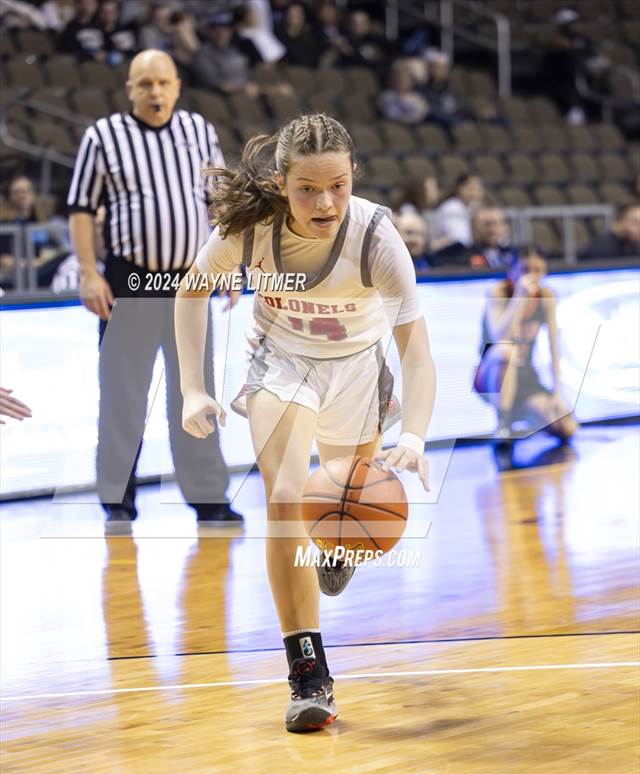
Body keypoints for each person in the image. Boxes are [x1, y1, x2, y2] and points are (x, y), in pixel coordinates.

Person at [175, 113, 436, 733]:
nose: (325, 203)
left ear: (353, 178)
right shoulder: (249, 229)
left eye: (338, 186)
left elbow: (418, 352)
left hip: (358, 370)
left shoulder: (376, 237)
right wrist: (192, 388)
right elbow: (191, 292)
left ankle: (336, 544)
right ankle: (308, 674)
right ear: (281, 182)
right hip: (282, 362)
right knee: (287, 498)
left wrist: (416, 436)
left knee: (344, 512)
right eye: (308, 189)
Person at [67, 49, 240, 534]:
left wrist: (227, 264)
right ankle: (118, 500)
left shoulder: (199, 131)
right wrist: (87, 271)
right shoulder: (103, 137)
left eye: (163, 82)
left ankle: (208, 499)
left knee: (195, 393)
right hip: (128, 283)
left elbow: (221, 202)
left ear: (178, 86)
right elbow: (81, 208)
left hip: (191, 282)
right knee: (123, 397)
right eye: (145, 84)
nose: (155, 92)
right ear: (130, 90)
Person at [473, 248, 578, 468]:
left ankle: (520, 415)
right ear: (512, 272)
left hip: (525, 378)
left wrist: (558, 392)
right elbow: (499, 337)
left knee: (567, 427)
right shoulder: (499, 293)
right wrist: (519, 298)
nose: (532, 275)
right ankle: (503, 424)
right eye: (525, 270)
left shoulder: (545, 296)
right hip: (491, 376)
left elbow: (553, 346)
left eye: (538, 270)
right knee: (506, 351)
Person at [0, 174, 68, 290]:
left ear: (33, 194)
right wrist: (34, 263)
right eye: (17, 192)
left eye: (26, 191)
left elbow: (53, 250)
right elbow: (4, 260)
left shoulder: (41, 223)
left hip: (43, 273)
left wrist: (43, 260)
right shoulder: (5, 226)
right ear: (9, 196)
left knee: (67, 257)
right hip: (17, 276)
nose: (22, 195)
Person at [433, 173, 485, 248]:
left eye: (479, 189)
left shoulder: (469, 207)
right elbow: (460, 238)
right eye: (473, 188)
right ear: (461, 188)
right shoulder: (451, 207)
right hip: (448, 253)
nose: (477, 192)